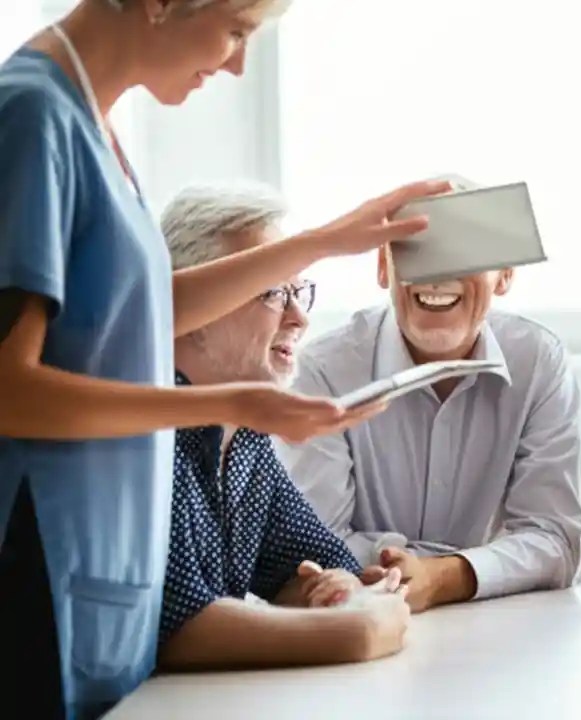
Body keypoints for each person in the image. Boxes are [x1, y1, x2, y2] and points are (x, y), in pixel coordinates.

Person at [0, 2, 443, 716]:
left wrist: (323, 241)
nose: (238, 63)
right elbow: (8, 389)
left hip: (98, 588)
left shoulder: (93, 128)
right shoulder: (32, 118)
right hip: (38, 577)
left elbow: (136, 314)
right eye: (237, 29)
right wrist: (231, 403)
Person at [281, 177, 581, 612]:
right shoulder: (323, 371)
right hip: (361, 615)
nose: (440, 275)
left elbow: (556, 539)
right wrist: (423, 569)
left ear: (505, 275)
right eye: (418, 249)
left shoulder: (538, 363)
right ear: (384, 267)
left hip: (495, 625)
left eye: (465, 250)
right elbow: (314, 541)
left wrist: (443, 577)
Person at [155, 184, 411, 670]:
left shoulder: (247, 437)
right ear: (193, 302)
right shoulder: (149, 428)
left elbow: (311, 564)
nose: (299, 318)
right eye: (273, 292)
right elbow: (176, 627)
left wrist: (332, 589)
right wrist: (355, 631)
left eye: (299, 292)